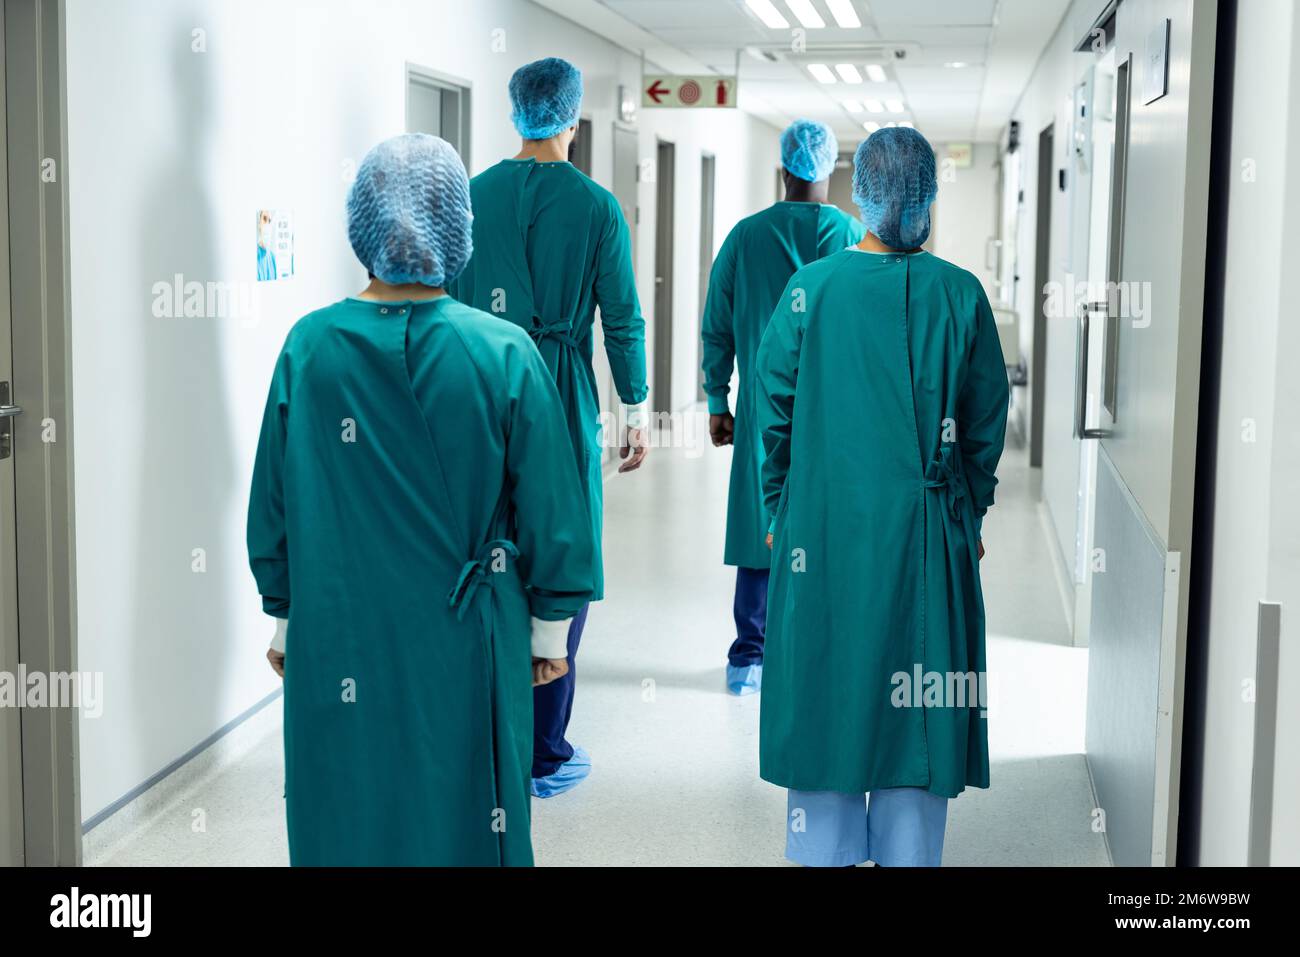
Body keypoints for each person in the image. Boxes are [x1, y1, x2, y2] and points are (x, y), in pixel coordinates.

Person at [246, 133, 595, 866]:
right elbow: (554, 510)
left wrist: (283, 617)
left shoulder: (308, 348)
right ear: (460, 227)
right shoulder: (502, 351)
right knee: (467, 807)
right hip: (468, 631)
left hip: (339, 628)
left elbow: (273, 506)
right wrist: (548, 633)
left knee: (348, 801)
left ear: (360, 228)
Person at [754, 127, 1009, 867]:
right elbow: (985, 425)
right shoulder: (960, 295)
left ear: (855, 193)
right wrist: (969, 507)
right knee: (917, 709)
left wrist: (780, 511)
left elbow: (774, 411)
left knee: (829, 696)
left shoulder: (812, 289)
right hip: (929, 534)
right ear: (927, 196)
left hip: (822, 536)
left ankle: (825, 849)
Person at [450, 57, 649, 799]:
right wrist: (635, 410)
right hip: (561, 393)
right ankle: (544, 748)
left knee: (487, 548)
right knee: (561, 556)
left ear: (516, 113)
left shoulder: (471, 197)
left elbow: (444, 300)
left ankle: (485, 739)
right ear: (571, 116)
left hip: (479, 392)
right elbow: (622, 319)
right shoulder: (597, 208)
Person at [700, 119, 864, 697]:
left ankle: (749, 657)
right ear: (828, 167)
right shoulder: (849, 234)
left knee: (759, 523)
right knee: (823, 524)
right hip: (832, 412)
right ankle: (813, 654)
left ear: (784, 166)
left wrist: (718, 399)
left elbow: (716, 324)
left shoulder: (746, 237)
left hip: (761, 407)